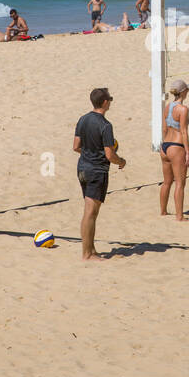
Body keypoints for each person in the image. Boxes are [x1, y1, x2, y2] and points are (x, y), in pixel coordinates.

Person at [72, 88, 125, 261]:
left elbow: (75, 146)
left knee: (90, 212)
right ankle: (87, 254)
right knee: (90, 213)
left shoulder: (83, 119)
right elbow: (110, 155)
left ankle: (91, 249)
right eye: (109, 99)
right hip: (96, 171)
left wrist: (89, 153)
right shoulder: (105, 125)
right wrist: (121, 162)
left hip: (82, 168)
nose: (110, 102)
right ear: (104, 103)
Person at [159, 79, 189, 221]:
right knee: (180, 182)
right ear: (183, 92)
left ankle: (163, 211)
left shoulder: (167, 107)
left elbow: (164, 128)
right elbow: (184, 132)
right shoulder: (183, 109)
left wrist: (164, 145)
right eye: (187, 90)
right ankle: (179, 216)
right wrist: (188, 152)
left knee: (166, 182)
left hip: (165, 146)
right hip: (176, 146)